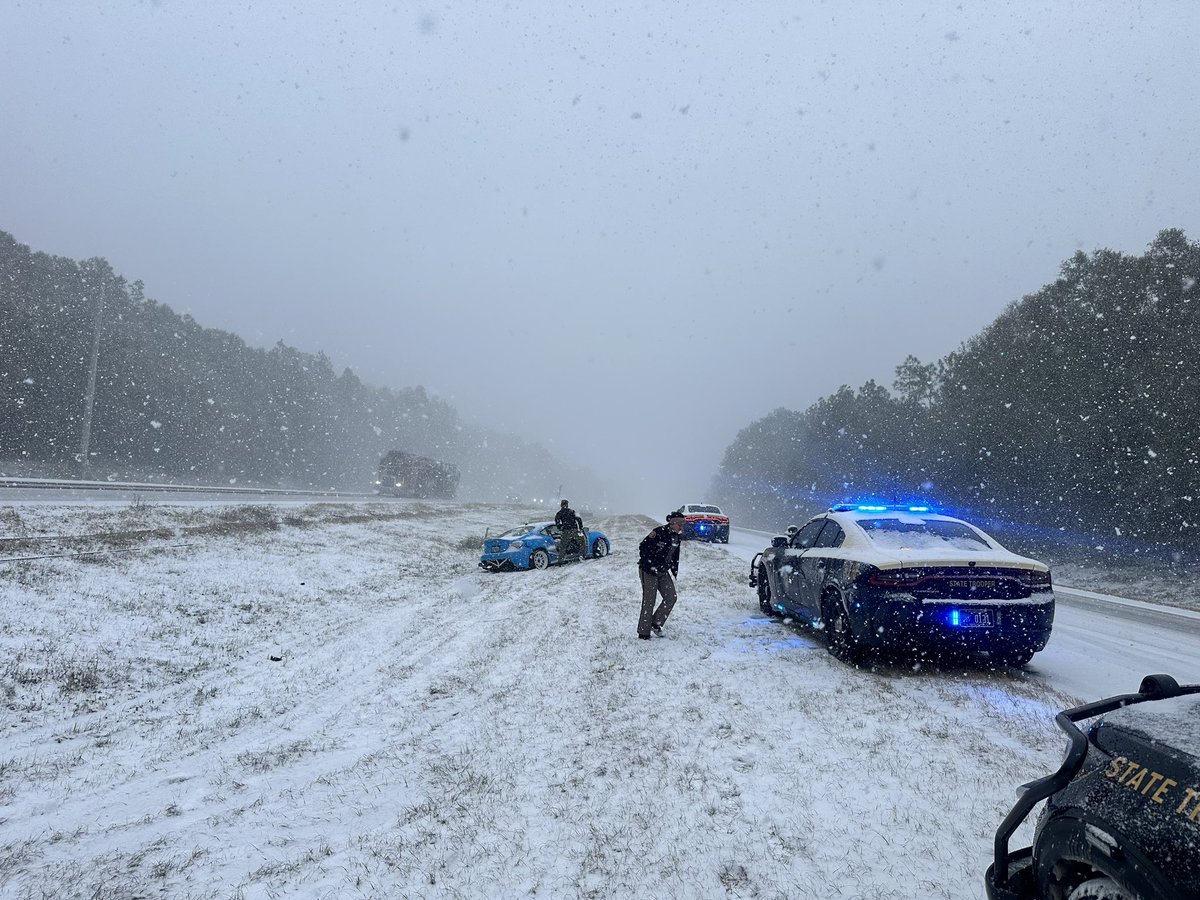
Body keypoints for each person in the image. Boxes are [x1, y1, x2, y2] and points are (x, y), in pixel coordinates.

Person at [637, 510, 685, 639]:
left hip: (663, 571)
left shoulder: (676, 537)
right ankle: (643, 632)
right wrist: (650, 564)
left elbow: (674, 555)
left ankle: (655, 623)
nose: (682, 527)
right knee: (649, 600)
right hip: (649, 570)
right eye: (680, 524)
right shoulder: (658, 532)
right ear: (673, 523)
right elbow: (643, 547)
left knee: (671, 597)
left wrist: (671, 568)